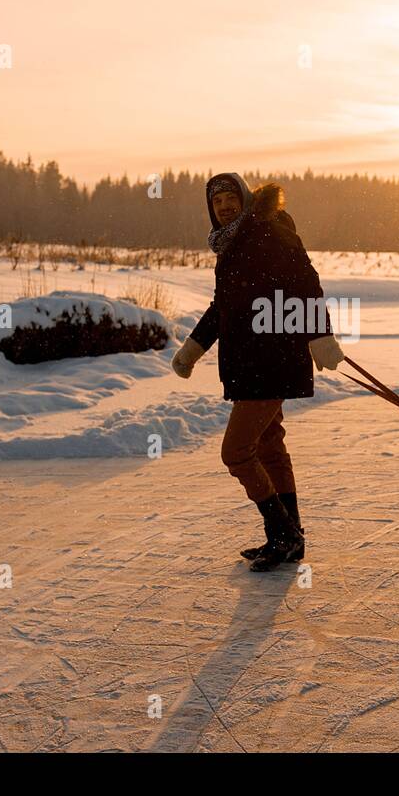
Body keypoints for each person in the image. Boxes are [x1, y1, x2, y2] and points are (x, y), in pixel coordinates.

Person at [171, 173, 344, 571]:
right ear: (211, 211)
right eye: (218, 203)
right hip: (249, 362)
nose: (225, 206)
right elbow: (223, 308)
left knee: (235, 451)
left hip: (272, 359)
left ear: (245, 199)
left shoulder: (266, 231)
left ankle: (283, 533)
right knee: (269, 445)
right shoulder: (232, 244)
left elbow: (306, 284)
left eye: (231, 198)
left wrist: (320, 337)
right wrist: (193, 349)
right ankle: (289, 537)